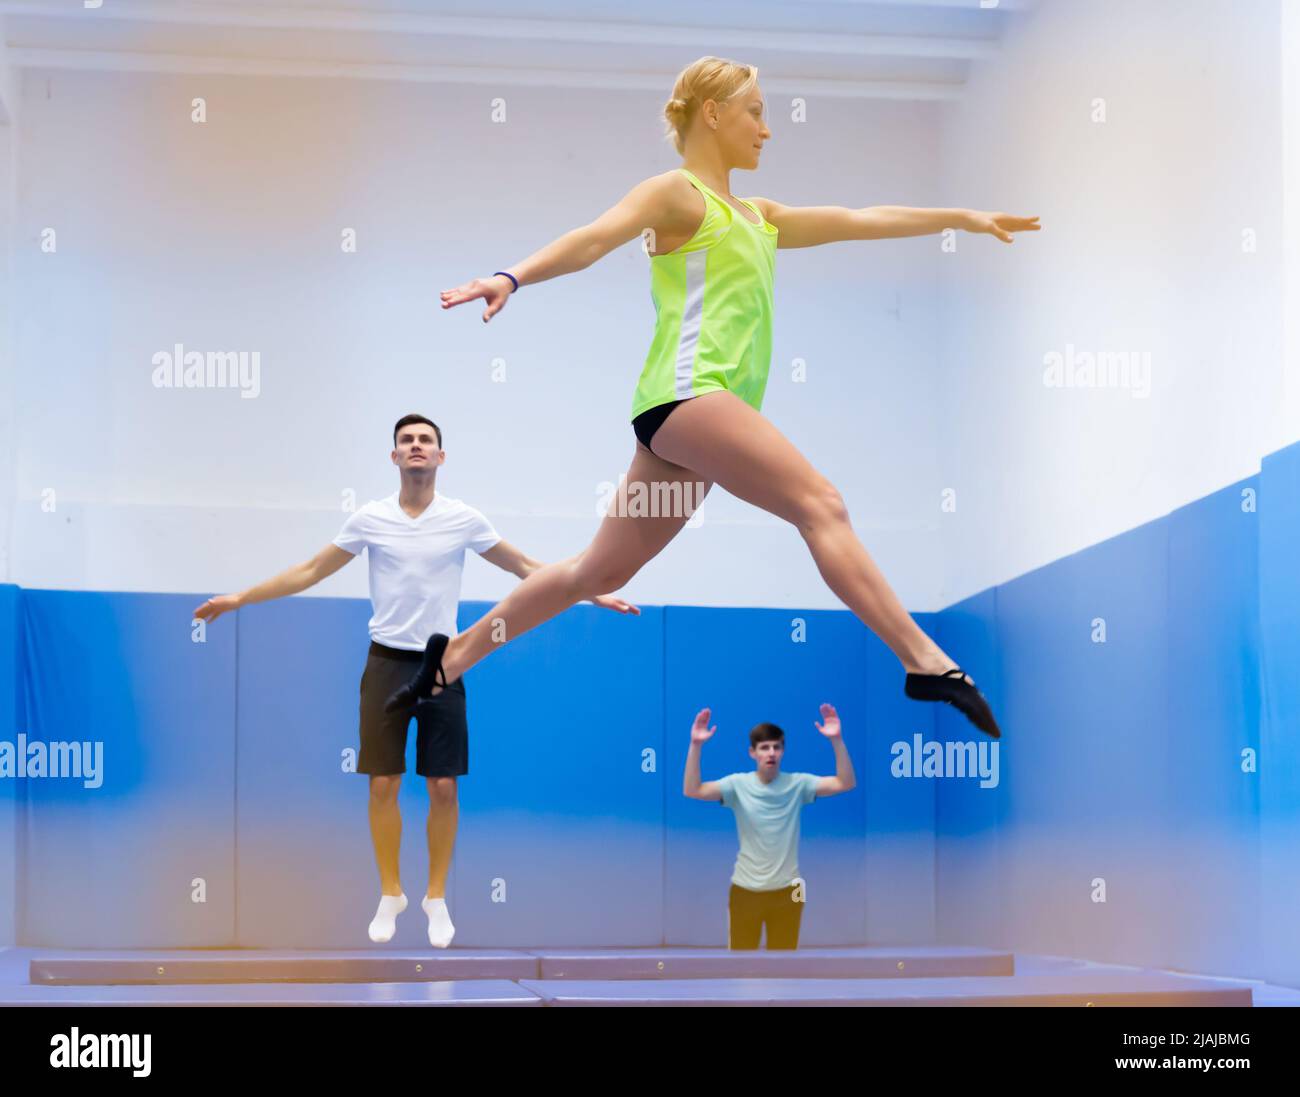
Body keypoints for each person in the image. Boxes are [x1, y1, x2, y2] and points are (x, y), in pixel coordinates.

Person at [387, 55, 1038, 738]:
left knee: (593, 570)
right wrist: (509, 277)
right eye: (756, 111)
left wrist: (961, 216)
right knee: (821, 504)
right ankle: (925, 660)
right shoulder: (678, 195)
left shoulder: (760, 217)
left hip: (684, 431)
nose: (767, 129)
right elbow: (594, 238)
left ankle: (449, 660)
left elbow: (859, 216)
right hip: (690, 397)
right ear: (714, 112)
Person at [193, 414, 636, 948]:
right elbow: (311, 569)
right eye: (407, 441)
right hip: (385, 663)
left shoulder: (463, 519)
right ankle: (390, 893)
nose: (417, 446)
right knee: (383, 783)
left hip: (444, 664)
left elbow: (525, 566)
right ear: (395, 457)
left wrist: (590, 592)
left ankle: (436, 897)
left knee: (443, 787)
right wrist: (241, 598)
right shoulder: (370, 518)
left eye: (426, 440)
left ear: (441, 457)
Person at [683, 703, 854, 949]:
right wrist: (696, 745)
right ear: (753, 753)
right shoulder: (737, 786)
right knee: (740, 970)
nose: (771, 752)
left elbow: (844, 782)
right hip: (744, 889)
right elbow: (692, 789)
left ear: (783, 751)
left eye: (776, 747)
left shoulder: (798, 784)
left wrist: (836, 740)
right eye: (764, 748)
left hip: (791, 890)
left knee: (785, 972)